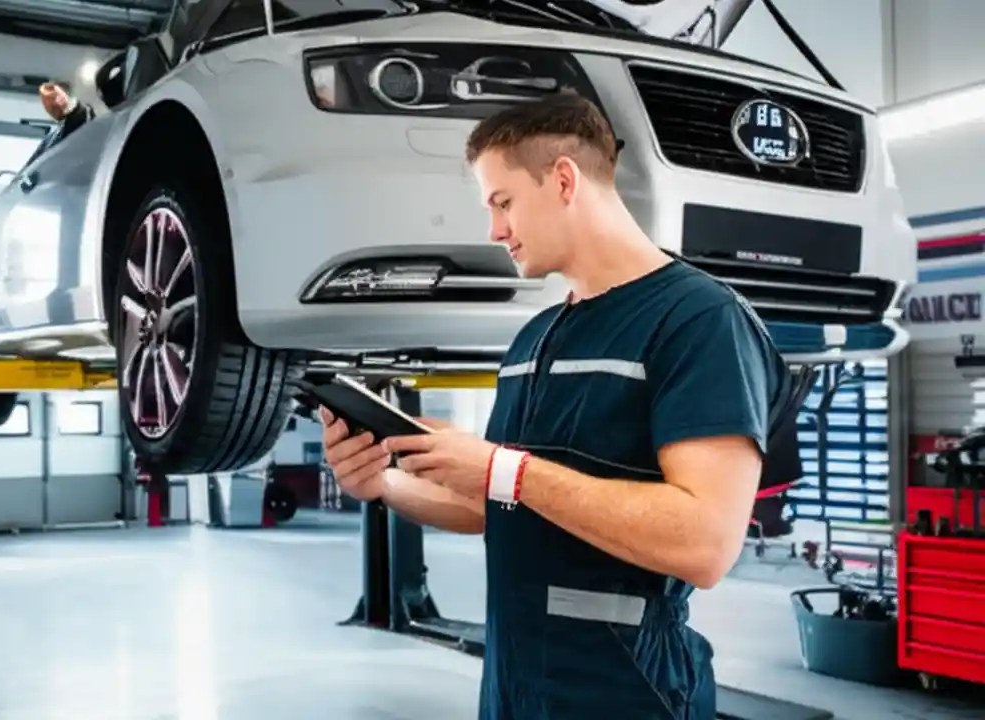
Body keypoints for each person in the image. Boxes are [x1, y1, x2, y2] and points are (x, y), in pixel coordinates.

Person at [319, 89, 792, 719]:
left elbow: (705, 544)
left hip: (626, 693)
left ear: (564, 179)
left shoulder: (700, 320)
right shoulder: (531, 340)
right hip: (516, 688)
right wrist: (381, 481)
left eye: (502, 201)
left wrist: (502, 469)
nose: (494, 229)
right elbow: (499, 505)